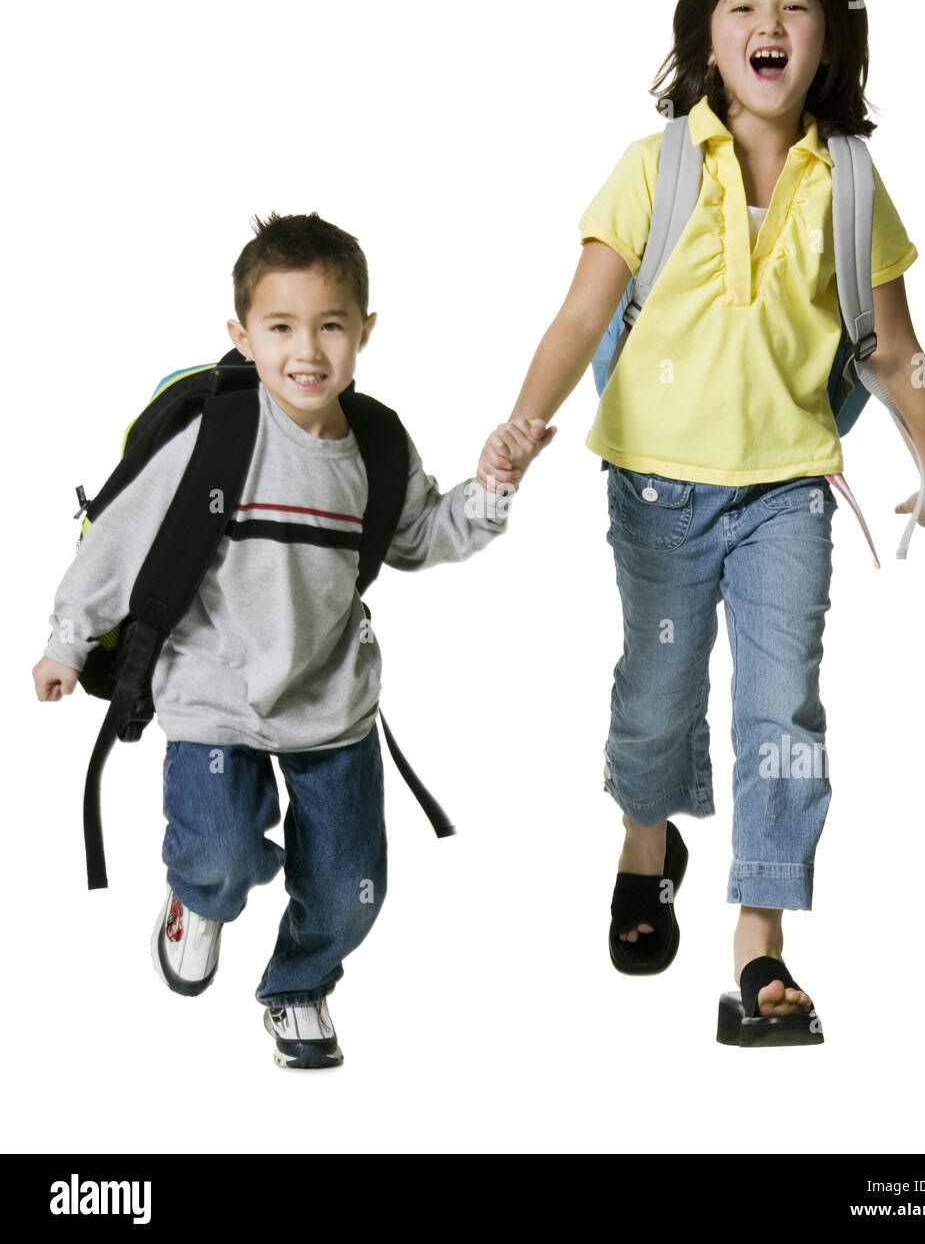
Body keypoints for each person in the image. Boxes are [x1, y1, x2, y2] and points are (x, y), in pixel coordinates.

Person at [479, 0, 925, 1040]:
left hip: (788, 491)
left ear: (830, 44)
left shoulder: (848, 182)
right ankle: (647, 842)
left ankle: (760, 940)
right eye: (744, 4)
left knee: (781, 707)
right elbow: (580, 315)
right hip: (656, 491)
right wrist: (523, 420)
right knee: (657, 691)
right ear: (708, 34)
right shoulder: (657, 167)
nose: (770, 25)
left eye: (797, 8)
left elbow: (894, 348)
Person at [33, 212, 554, 1069]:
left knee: (352, 890)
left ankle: (298, 985)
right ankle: (197, 898)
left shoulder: (376, 447)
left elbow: (422, 537)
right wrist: (66, 640)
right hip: (211, 693)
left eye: (330, 326)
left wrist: (492, 488)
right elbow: (119, 540)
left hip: (330, 703)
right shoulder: (221, 437)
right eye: (280, 328)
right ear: (242, 335)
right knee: (220, 853)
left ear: (364, 332)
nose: (306, 351)